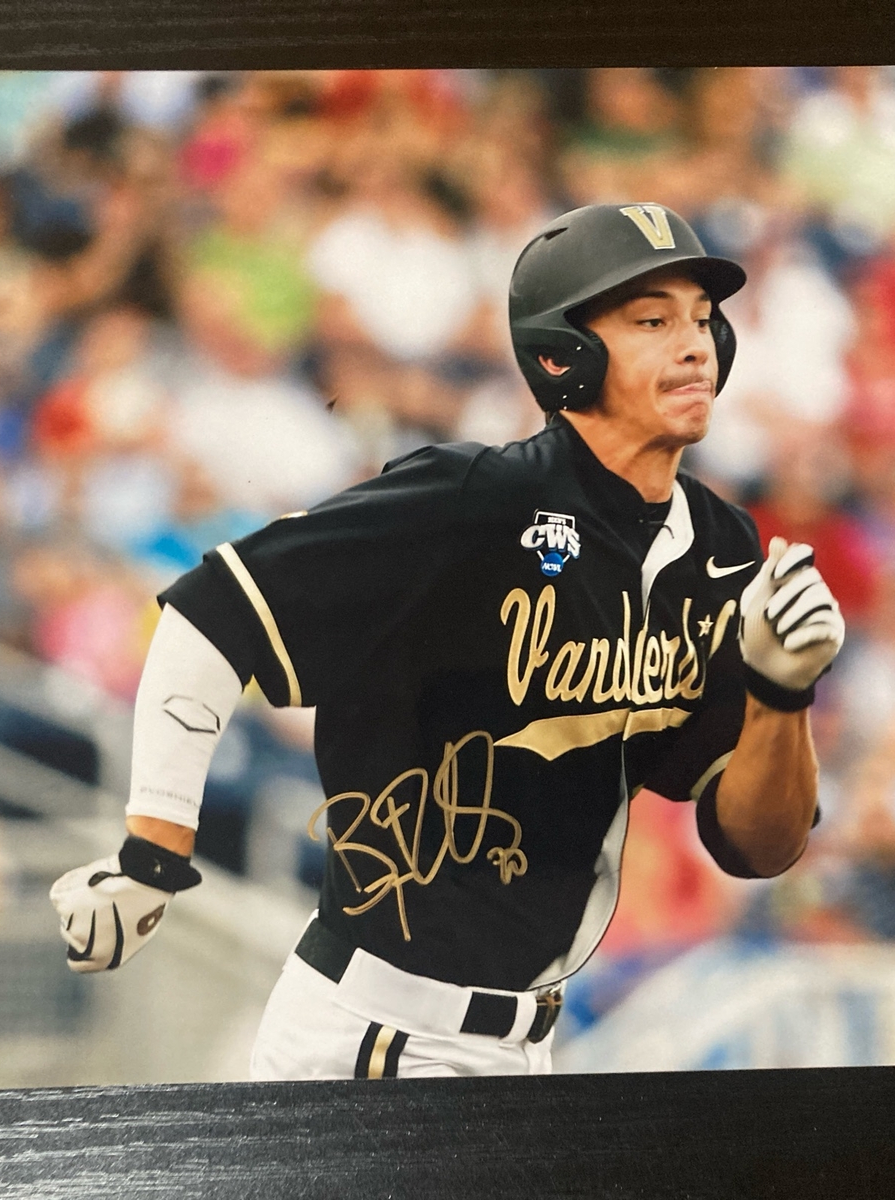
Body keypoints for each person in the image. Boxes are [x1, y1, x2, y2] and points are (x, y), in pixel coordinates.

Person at [50, 203, 847, 1079]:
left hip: (527, 1044)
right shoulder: (473, 499)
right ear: (562, 355)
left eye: (703, 320)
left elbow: (759, 847)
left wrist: (783, 692)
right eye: (653, 321)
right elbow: (208, 617)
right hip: (382, 1034)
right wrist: (153, 851)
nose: (695, 345)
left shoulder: (724, 549)